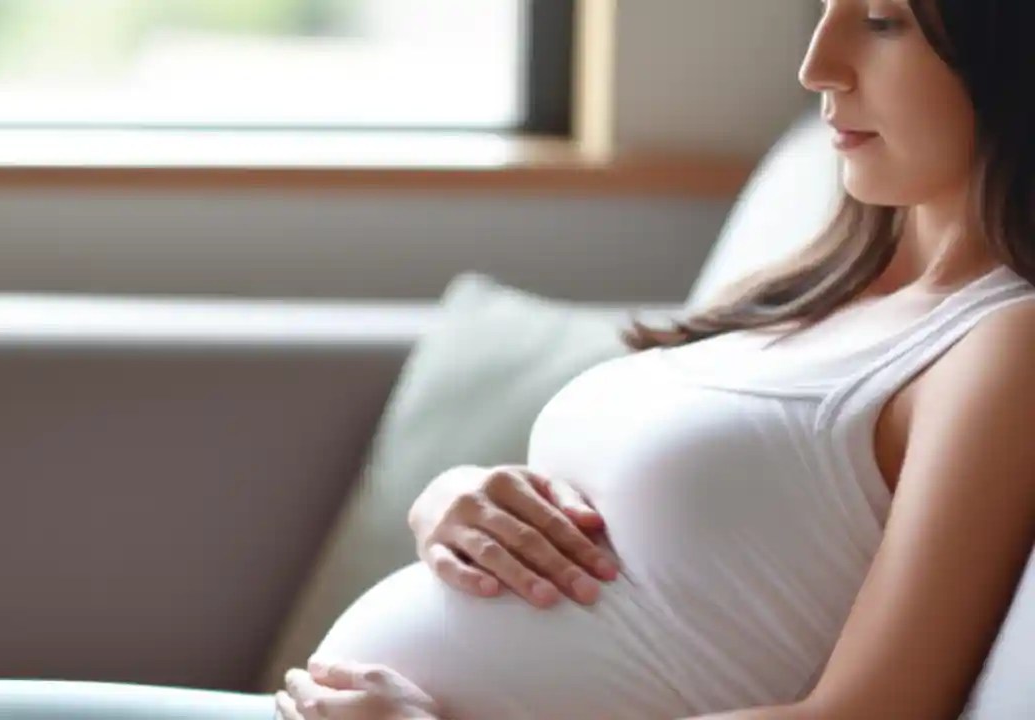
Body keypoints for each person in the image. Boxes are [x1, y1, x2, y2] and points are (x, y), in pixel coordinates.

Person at [275, 0, 1035, 717]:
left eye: (879, 21)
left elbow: (874, 714)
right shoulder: (818, 290)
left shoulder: (1003, 342)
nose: (818, 66)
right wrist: (454, 503)